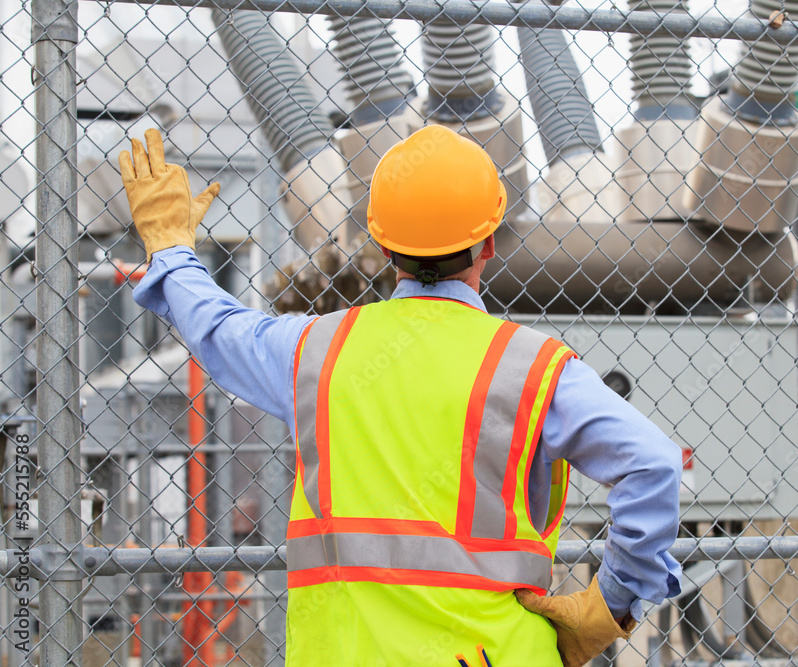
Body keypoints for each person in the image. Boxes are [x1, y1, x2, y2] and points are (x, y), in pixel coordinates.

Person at [119, 125, 683, 666]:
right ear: (488, 240)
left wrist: (171, 251)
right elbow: (652, 464)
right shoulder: (535, 368)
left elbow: (219, 330)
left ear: (383, 246)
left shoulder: (317, 350)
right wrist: (609, 604)